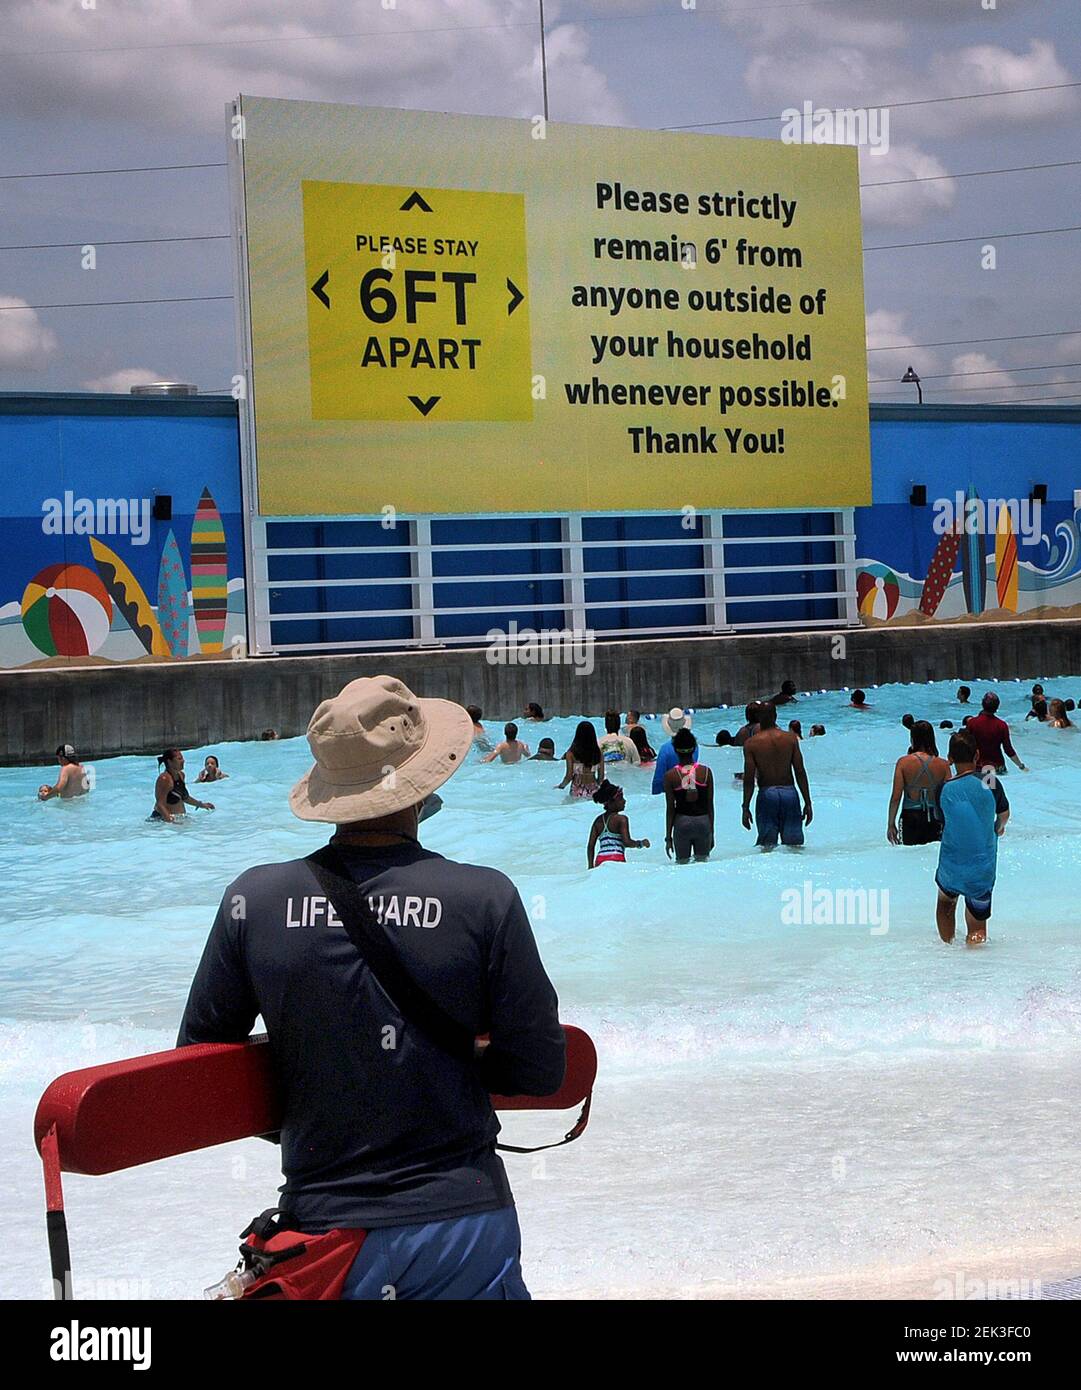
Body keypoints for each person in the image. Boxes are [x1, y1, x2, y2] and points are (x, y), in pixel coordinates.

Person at [178, 675, 565, 1300]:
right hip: (463, 1223)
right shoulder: (485, 897)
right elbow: (543, 1067)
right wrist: (446, 1072)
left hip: (327, 1233)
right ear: (423, 783)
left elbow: (199, 1071)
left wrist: (323, 1095)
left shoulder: (253, 897)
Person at [934, 729, 1009, 946]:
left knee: (945, 904)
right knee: (977, 926)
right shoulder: (988, 778)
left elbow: (943, 821)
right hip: (982, 864)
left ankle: (947, 949)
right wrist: (997, 827)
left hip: (952, 863)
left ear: (950, 759)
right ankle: (974, 969)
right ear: (977, 755)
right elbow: (1003, 813)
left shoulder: (943, 789)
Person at [742, 702, 812, 850]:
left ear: (759, 717)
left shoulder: (751, 744)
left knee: (767, 847)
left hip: (767, 795)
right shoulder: (791, 739)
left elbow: (748, 779)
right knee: (795, 847)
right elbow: (800, 772)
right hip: (789, 794)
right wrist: (808, 802)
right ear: (776, 715)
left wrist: (745, 806)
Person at [887, 721, 949, 846]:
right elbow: (948, 796)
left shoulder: (903, 763)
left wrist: (891, 824)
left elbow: (896, 797)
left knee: (908, 858)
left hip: (910, 817)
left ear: (913, 738)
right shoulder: (943, 765)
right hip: (935, 817)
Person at [664, 728, 714, 864]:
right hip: (703, 822)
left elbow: (670, 809)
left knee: (682, 864)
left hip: (682, 823)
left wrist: (668, 837)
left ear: (675, 749)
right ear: (694, 749)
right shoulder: (706, 772)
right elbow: (710, 805)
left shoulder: (670, 776)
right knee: (702, 864)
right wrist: (712, 832)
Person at [587, 781, 649, 867]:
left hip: (600, 860)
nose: (624, 801)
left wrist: (590, 866)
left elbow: (590, 846)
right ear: (611, 802)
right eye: (620, 798)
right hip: (616, 858)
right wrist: (641, 843)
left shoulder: (598, 821)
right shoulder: (622, 819)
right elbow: (627, 842)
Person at [967, 692, 1028, 775]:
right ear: (997, 707)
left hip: (978, 767)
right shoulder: (1002, 725)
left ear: (982, 704)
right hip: (997, 767)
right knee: (994, 787)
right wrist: (1021, 766)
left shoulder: (972, 723)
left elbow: (966, 746)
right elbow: (1008, 750)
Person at [152, 749, 214, 821]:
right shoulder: (164, 779)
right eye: (179, 759)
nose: (183, 761)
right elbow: (160, 805)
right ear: (169, 762)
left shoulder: (181, 775)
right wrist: (170, 821)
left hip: (177, 819)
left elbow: (184, 797)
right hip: (161, 821)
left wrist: (202, 805)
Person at [650, 709, 697, 794]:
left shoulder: (665, 749)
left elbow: (658, 779)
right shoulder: (695, 747)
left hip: (671, 790)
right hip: (690, 787)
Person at [556, 722, 603, 799]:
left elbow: (569, 776)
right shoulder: (598, 752)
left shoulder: (571, 753)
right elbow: (601, 777)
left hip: (576, 789)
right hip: (594, 789)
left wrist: (561, 786)